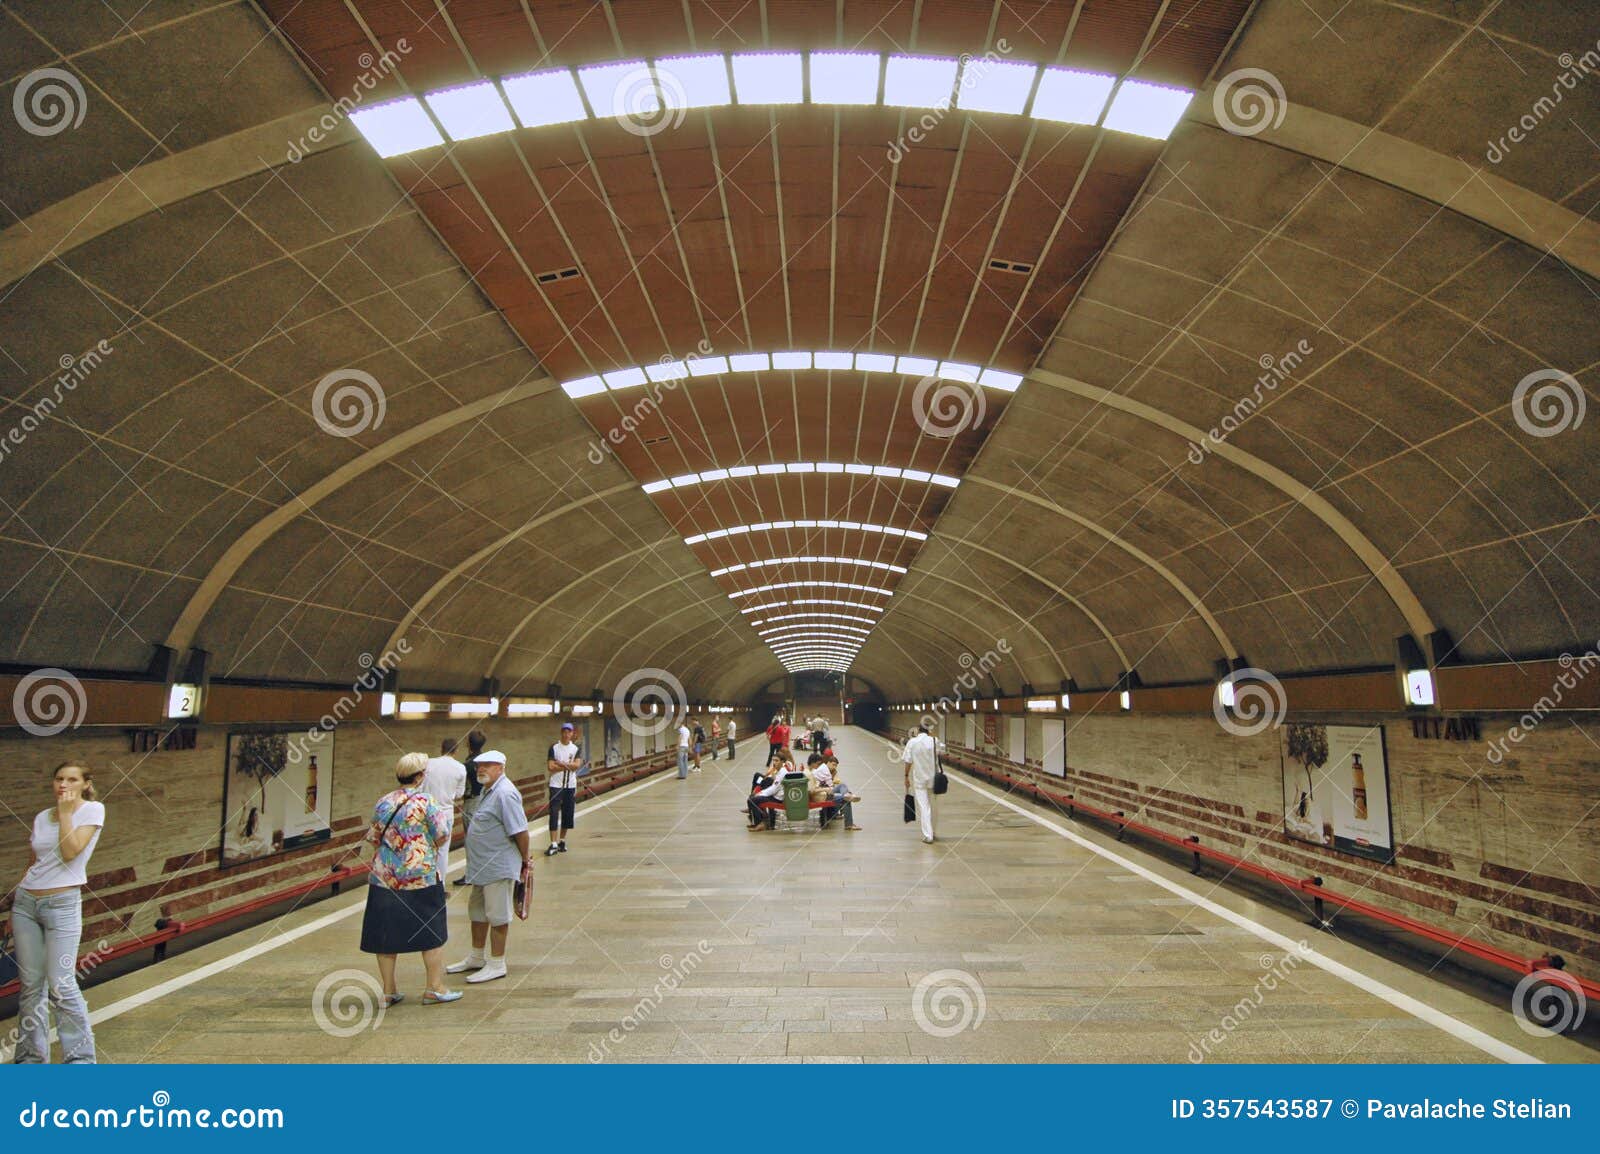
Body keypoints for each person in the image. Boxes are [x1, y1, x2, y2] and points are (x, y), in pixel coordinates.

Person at [5, 762, 105, 1062]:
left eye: (72, 779)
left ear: (86, 784)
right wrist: (15, 895)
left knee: (61, 984)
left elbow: (71, 851)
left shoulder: (93, 810)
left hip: (62, 905)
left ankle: (81, 1061)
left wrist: (64, 812)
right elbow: (35, 861)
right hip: (26, 904)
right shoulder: (40, 817)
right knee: (30, 986)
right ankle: (31, 1060)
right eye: (59, 778)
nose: (64, 784)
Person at [356, 753, 461, 1006]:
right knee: (432, 932)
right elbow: (443, 835)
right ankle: (434, 988)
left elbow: (373, 837)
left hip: (385, 879)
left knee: (385, 933)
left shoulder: (383, 802)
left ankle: (389, 990)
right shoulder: (427, 802)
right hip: (420, 878)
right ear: (421, 776)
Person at [447, 751, 530, 983]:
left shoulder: (505, 794)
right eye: (478, 766)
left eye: (487, 766)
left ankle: (497, 963)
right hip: (482, 867)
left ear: (501, 768)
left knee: (497, 915)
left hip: (498, 866)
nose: (480, 770)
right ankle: (476, 956)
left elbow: (520, 831)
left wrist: (526, 860)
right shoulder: (487, 790)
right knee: (478, 912)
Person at [422, 738, 467, 876]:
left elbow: (420, 786)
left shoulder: (428, 763)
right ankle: (439, 887)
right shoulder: (460, 768)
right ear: (456, 750)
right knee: (442, 852)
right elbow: (460, 794)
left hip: (427, 813)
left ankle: (425, 883)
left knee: (425, 848)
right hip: (446, 814)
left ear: (441, 748)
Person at [453, 729, 488, 887]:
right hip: (484, 801)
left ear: (468, 744)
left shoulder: (467, 765)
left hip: (471, 803)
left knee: (471, 840)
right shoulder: (486, 762)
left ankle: (471, 874)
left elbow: (461, 790)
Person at [545, 722, 586, 856]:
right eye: (564, 731)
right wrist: (568, 765)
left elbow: (577, 765)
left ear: (572, 734)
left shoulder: (575, 749)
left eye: (569, 732)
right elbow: (550, 767)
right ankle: (553, 843)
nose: (566, 734)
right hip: (556, 785)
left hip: (570, 785)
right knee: (554, 813)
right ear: (561, 732)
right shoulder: (554, 748)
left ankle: (562, 840)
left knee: (568, 813)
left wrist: (560, 763)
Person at [903, 723, 940, 844]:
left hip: (919, 779)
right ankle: (933, 832)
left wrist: (906, 776)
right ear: (929, 731)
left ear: (918, 731)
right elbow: (940, 754)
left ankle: (928, 835)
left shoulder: (912, 742)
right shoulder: (934, 741)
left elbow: (908, 761)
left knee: (924, 807)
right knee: (933, 806)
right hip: (934, 778)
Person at [816, 754, 862, 831]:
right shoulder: (825, 771)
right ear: (828, 762)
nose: (834, 767)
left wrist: (833, 777)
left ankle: (848, 794)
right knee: (846, 799)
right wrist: (833, 777)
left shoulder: (823, 767)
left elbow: (831, 785)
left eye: (835, 766)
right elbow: (831, 787)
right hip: (822, 794)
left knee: (842, 786)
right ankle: (849, 825)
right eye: (833, 765)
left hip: (822, 791)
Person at [745, 756, 788, 830]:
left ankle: (761, 823)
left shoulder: (782, 773)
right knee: (752, 798)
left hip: (777, 798)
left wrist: (760, 793)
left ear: (782, 762)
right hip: (775, 795)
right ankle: (761, 821)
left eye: (776, 761)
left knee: (752, 800)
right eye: (773, 760)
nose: (774, 762)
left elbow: (773, 789)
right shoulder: (780, 771)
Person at [676, 715, 692, 780]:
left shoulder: (681, 730)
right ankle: (685, 774)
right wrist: (690, 747)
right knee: (685, 761)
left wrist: (677, 745)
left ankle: (681, 775)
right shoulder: (687, 730)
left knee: (680, 761)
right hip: (686, 746)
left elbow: (679, 737)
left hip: (681, 746)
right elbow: (689, 739)